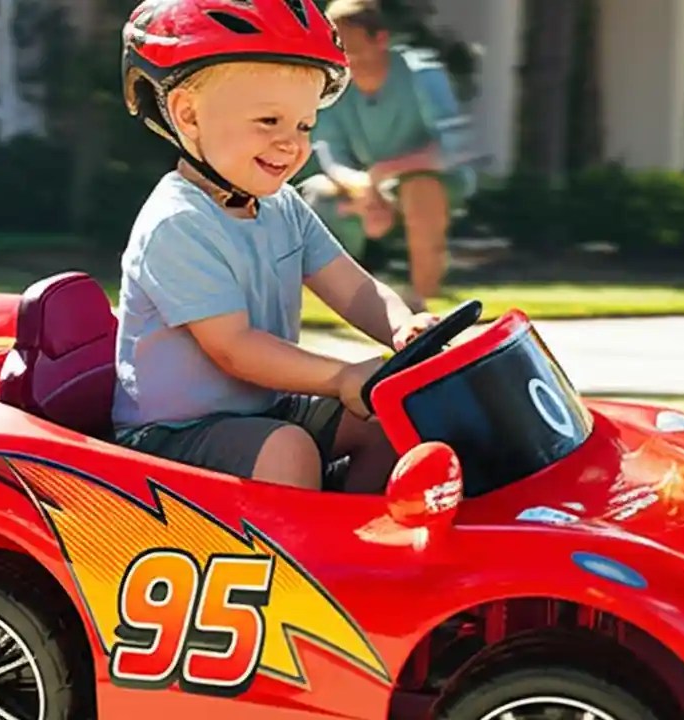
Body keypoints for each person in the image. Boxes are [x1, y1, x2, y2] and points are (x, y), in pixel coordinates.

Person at [111, 0, 438, 494]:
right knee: (287, 448)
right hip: (170, 436)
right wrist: (343, 376)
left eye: (304, 126)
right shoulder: (178, 223)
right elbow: (235, 349)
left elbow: (351, 287)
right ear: (188, 114)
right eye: (268, 121)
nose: (292, 144)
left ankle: (365, 550)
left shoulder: (282, 206)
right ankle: (299, 563)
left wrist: (401, 326)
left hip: (263, 410)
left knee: (393, 416)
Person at [295, 0, 476, 313]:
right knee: (312, 195)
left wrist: (384, 173)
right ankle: (334, 295)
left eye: (348, 45)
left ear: (379, 39)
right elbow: (332, 155)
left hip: (432, 179)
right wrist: (366, 191)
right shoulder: (333, 85)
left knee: (419, 190)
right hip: (370, 184)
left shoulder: (422, 74)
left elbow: (451, 148)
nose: (342, 56)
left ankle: (424, 300)